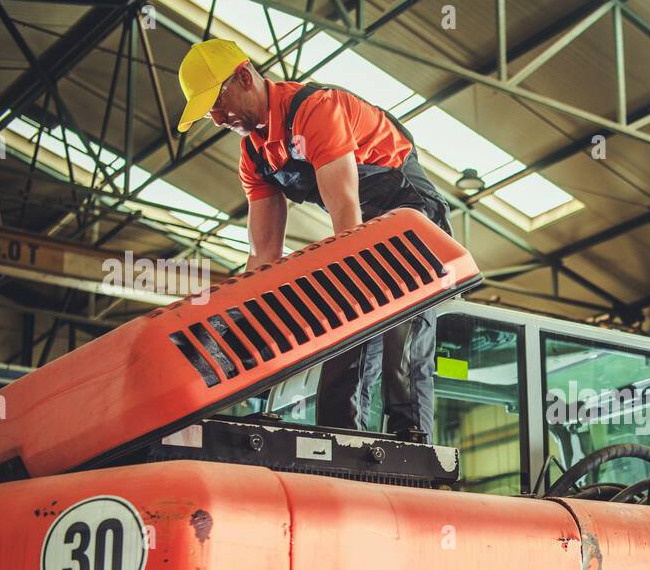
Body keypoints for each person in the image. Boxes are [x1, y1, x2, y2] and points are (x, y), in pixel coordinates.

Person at [175, 38, 448, 440]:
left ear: (244, 77)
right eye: (208, 113)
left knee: (399, 322)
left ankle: (413, 437)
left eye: (216, 103)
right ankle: (341, 440)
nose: (216, 119)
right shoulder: (255, 156)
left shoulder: (317, 110)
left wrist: (348, 292)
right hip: (365, 226)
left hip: (412, 213)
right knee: (341, 338)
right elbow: (264, 255)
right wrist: (229, 330)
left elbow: (344, 212)